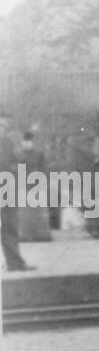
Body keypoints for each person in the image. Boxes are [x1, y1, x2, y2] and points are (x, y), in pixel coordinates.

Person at [0, 109, 34, 271]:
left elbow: (19, 159)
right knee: (9, 225)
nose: (3, 129)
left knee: (10, 225)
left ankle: (14, 263)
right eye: (1, 124)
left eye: (5, 125)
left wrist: (26, 144)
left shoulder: (8, 141)